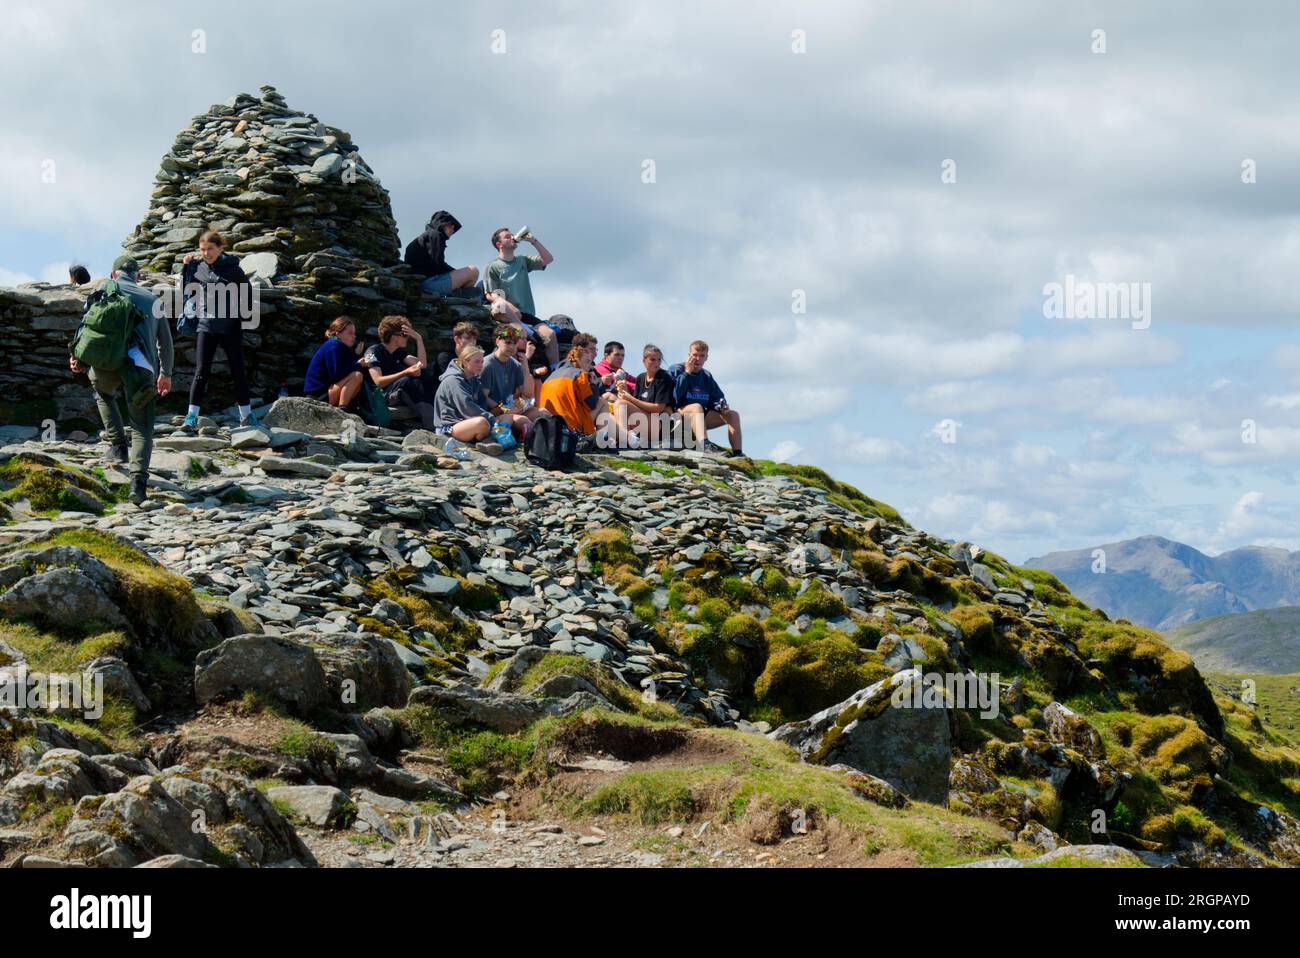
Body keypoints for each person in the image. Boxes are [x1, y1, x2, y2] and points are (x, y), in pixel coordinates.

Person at [68, 256, 173, 505]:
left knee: (102, 391)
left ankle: (117, 445)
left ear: (114, 274)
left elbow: (86, 327)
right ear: (137, 276)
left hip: (106, 365)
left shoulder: (102, 290)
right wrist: (166, 373)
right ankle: (138, 483)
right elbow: (165, 343)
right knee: (141, 425)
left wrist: (76, 357)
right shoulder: (153, 300)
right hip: (141, 369)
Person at [178, 230, 259, 431]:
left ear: (220, 247)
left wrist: (239, 315)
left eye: (210, 249)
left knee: (237, 370)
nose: (206, 253)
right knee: (201, 371)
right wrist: (185, 267)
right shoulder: (199, 267)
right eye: (203, 250)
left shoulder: (233, 269)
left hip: (230, 326)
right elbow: (187, 290)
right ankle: (191, 417)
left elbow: (247, 294)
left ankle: (246, 416)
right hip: (206, 325)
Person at [484, 227, 559, 369]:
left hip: (527, 314)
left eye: (512, 235)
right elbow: (490, 294)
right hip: (506, 312)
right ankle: (524, 330)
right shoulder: (493, 266)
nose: (512, 237)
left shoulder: (522, 260)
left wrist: (533, 241)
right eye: (507, 236)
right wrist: (508, 305)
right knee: (502, 305)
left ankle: (554, 368)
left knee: (550, 334)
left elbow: (548, 259)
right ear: (499, 244)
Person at [671, 340, 744, 457]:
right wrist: (686, 374)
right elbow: (674, 396)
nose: (698, 359)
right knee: (696, 407)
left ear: (706, 358)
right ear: (689, 355)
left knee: (733, 414)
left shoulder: (706, 376)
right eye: (695, 355)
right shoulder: (676, 369)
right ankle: (704, 445)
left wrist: (721, 406)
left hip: (700, 418)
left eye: (702, 356)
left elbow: (717, 398)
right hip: (678, 416)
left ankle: (738, 453)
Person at [364, 315, 437, 428]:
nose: (407, 338)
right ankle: (432, 423)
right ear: (393, 336)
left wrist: (419, 339)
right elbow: (378, 382)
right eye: (404, 335)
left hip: (394, 391)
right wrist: (405, 372)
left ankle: (438, 414)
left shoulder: (399, 352)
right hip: (381, 395)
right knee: (407, 381)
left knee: (423, 374)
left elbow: (422, 365)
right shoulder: (371, 352)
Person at [480, 326, 542, 439]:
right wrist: (505, 409)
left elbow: (527, 393)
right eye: (508, 342)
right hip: (493, 413)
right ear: (497, 341)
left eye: (514, 343)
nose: (512, 347)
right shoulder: (488, 365)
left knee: (544, 413)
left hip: (509, 409)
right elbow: (483, 397)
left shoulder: (515, 364)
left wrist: (526, 367)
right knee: (524, 421)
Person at [303, 316, 371, 414]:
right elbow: (337, 375)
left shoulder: (339, 346)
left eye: (354, 333)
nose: (354, 336)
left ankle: (346, 407)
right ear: (338, 334)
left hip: (327, 393)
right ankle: (343, 409)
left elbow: (346, 369)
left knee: (358, 382)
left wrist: (356, 356)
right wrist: (359, 365)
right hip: (319, 396)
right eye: (350, 333)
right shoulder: (333, 345)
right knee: (357, 376)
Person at [404, 210, 480, 296]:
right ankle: (458, 297)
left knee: (467, 274)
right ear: (443, 224)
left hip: (420, 283)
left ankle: (457, 296)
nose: (453, 229)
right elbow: (437, 263)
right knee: (473, 271)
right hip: (427, 284)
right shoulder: (435, 235)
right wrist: (456, 272)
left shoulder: (428, 236)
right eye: (451, 225)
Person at [616, 344, 675, 448]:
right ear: (644, 360)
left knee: (621, 404)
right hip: (643, 420)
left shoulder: (664, 378)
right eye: (652, 360)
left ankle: (624, 439)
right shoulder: (641, 378)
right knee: (616, 404)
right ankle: (628, 437)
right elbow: (636, 404)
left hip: (659, 425)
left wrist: (630, 398)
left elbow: (658, 408)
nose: (656, 363)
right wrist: (625, 392)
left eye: (659, 360)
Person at [432, 345, 496, 442]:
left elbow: (482, 403)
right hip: (448, 428)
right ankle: (487, 442)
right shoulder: (453, 380)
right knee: (482, 423)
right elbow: (467, 407)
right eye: (477, 362)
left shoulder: (474, 380)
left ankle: (488, 441)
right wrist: (492, 420)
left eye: (482, 362)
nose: (480, 365)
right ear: (465, 362)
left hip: (466, 423)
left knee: (506, 418)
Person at [538, 346, 599, 439]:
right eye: (587, 362)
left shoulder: (550, 376)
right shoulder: (580, 375)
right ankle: (600, 440)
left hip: (549, 425)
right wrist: (594, 386)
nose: (589, 367)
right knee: (602, 402)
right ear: (578, 360)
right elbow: (591, 404)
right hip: (571, 428)